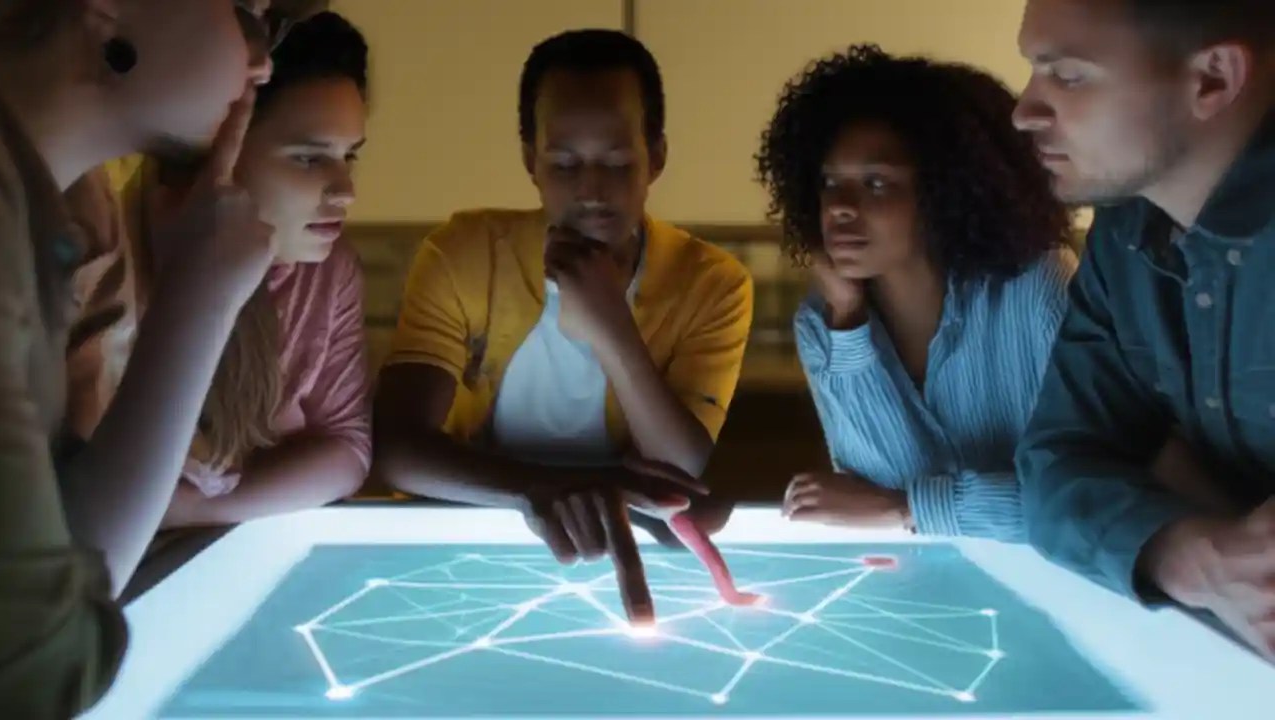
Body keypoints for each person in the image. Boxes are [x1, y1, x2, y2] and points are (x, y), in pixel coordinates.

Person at [373, 29, 754, 625]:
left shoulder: (712, 282)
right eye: (564, 162)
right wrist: (540, 489)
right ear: (530, 159)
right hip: (465, 540)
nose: (591, 190)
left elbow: (682, 465)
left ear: (656, 155)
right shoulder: (464, 253)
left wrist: (611, 324)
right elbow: (397, 450)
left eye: (618, 161)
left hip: (609, 547)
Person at [0, 0, 286, 714]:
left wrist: (202, 295)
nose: (262, 61)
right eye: (241, 10)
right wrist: (199, 302)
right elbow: (40, 665)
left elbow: (79, 557)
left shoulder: (67, 210)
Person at [1013, 0, 1275, 659]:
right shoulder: (1125, 232)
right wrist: (1190, 553)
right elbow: (1057, 460)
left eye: (1067, 75)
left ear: (1212, 78)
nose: (1024, 110)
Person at [755, 45, 1076, 541]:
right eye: (829, 182)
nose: (839, 207)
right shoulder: (824, 322)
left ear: (948, 191)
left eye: (876, 183)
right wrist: (848, 322)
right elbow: (879, 482)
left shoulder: (1037, 287)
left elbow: (1084, 497)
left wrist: (905, 508)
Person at [71, 11, 372, 534]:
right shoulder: (105, 267)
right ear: (220, 152)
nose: (345, 190)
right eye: (308, 159)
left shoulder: (325, 269)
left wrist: (196, 511)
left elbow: (347, 448)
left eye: (350, 157)